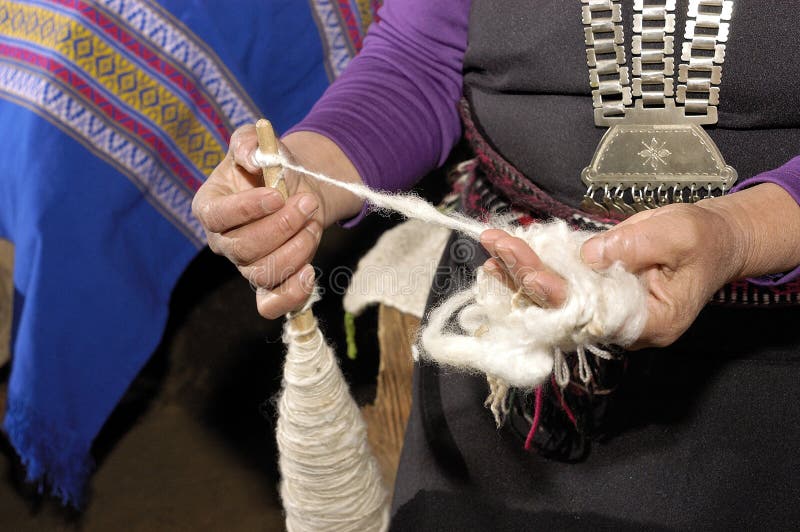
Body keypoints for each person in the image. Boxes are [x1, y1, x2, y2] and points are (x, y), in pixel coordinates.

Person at [192, 0, 800, 528]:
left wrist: (741, 235)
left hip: (768, 352)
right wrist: (306, 178)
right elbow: (418, 60)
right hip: (500, 309)